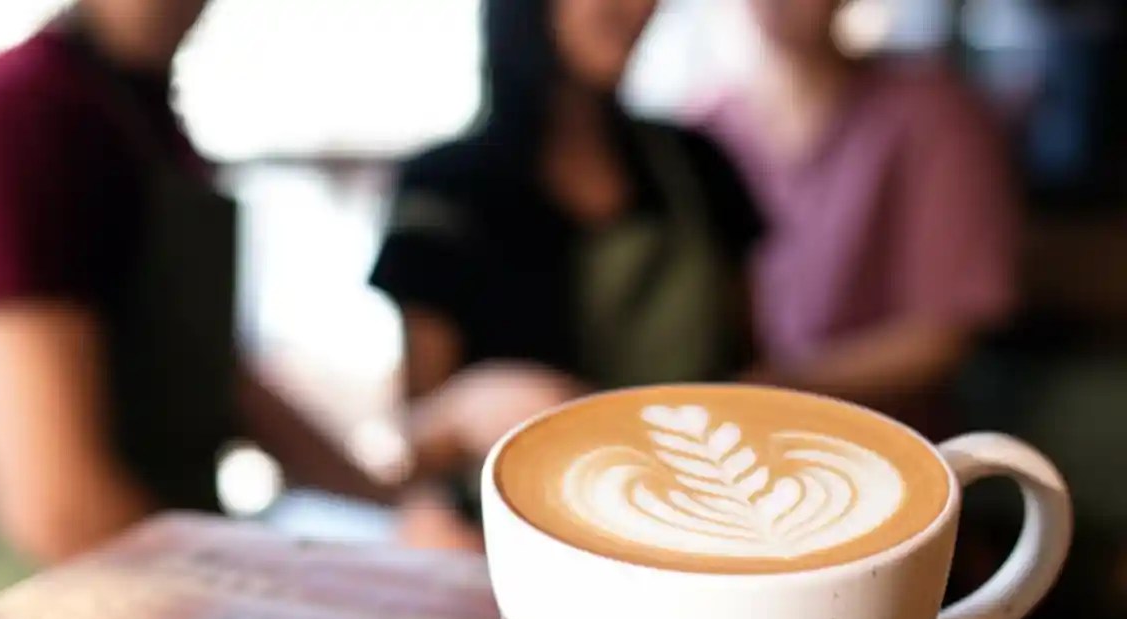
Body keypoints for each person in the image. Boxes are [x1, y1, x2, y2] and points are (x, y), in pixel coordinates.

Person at [0, 0, 393, 619]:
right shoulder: (17, 117)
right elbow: (61, 508)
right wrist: (303, 603)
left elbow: (219, 377)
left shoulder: (144, 114)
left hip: (172, 586)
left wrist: (394, 507)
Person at [370, 0, 764, 549]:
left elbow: (755, 375)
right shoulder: (442, 188)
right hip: (507, 540)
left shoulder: (701, 168)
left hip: (694, 533)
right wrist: (466, 408)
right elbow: (411, 442)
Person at [697, 0, 1022, 435]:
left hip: (891, 447)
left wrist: (772, 386)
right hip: (736, 439)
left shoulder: (932, 116)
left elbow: (943, 334)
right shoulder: (700, 132)